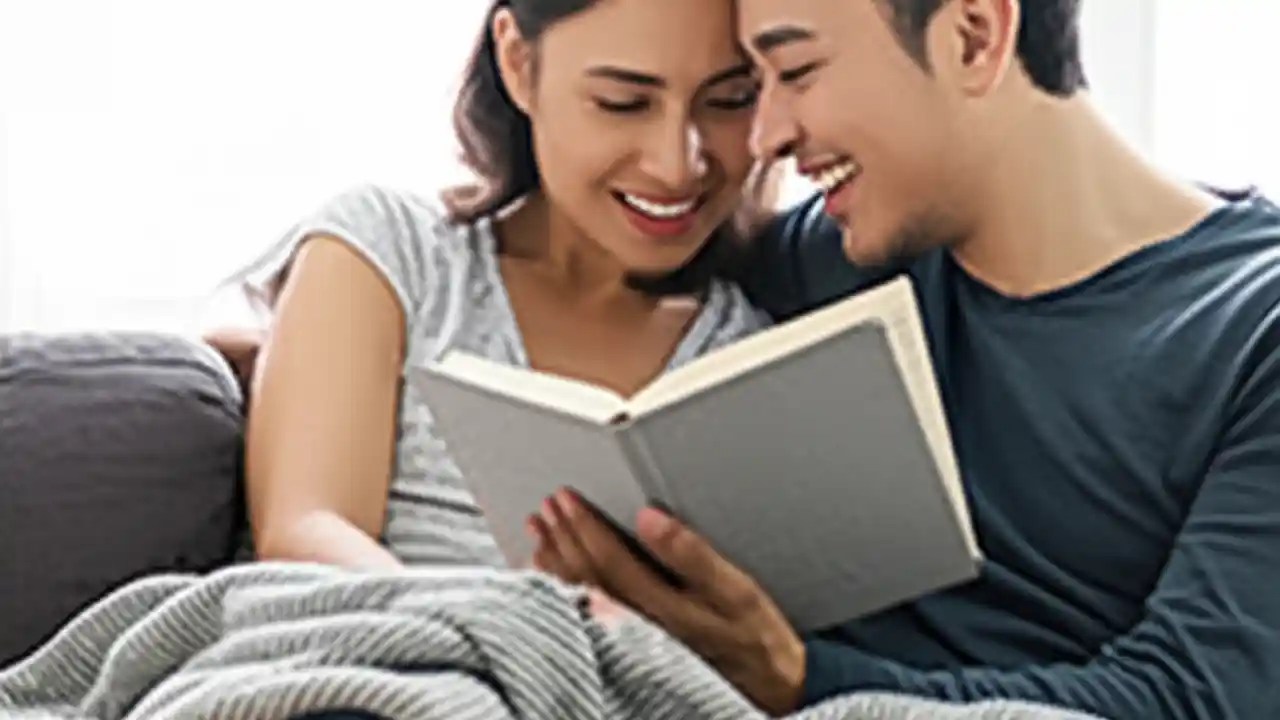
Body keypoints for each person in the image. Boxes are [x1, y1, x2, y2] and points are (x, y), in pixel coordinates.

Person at [529, 0, 1280, 718]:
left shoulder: (1251, 327)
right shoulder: (824, 260)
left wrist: (796, 678)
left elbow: (1198, 702)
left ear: (973, 38)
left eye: (797, 72)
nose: (767, 137)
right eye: (753, 87)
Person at [223, 0, 770, 573]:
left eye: (730, 101)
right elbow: (306, 533)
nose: (677, 165)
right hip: (360, 648)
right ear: (517, 62)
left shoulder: (753, 357)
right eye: (623, 103)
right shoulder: (393, 255)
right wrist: (512, 635)